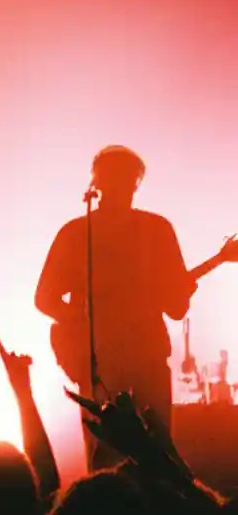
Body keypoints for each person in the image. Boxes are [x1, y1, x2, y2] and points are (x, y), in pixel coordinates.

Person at [35, 145, 195, 469]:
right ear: (97, 183)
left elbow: (176, 308)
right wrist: (85, 320)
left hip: (146, 358)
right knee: (114, 458)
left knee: (155, 454)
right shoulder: (77, 233)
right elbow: (45, 298)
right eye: (115, 178)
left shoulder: (156, 230)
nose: (123, 187)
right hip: (100, 362)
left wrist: (182, 290)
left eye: (127, 180)